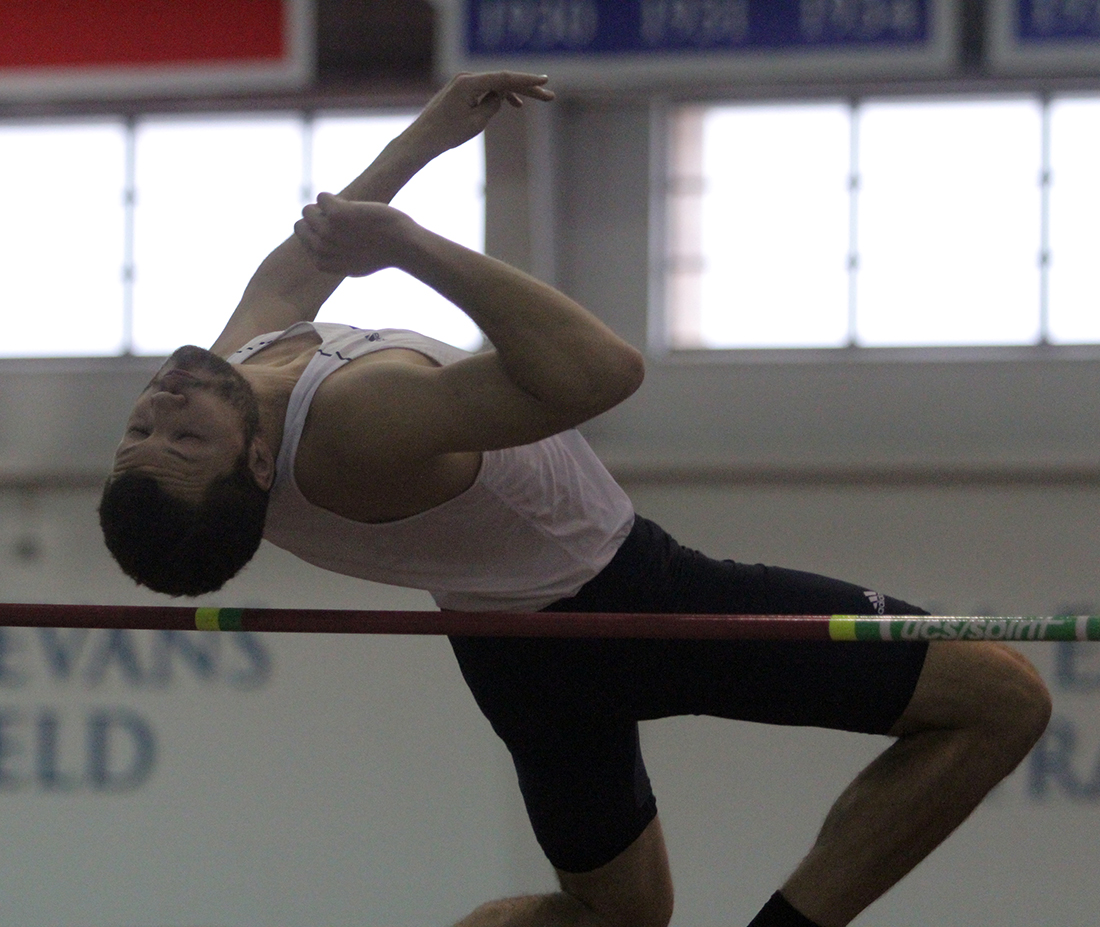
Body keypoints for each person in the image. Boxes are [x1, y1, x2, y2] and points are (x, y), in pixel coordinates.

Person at [100, 72, 1051, 927]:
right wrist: (412, 246)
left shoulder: (232, 376)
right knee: (1003, 701)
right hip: (629, 602)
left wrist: (425, 137)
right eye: (180, 436)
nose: (161, 406)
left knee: (617, 919)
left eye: (142, 433)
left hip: (516, 646)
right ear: (259, 466)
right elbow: (602, 371)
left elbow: (303, 264)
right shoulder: (359, 423)